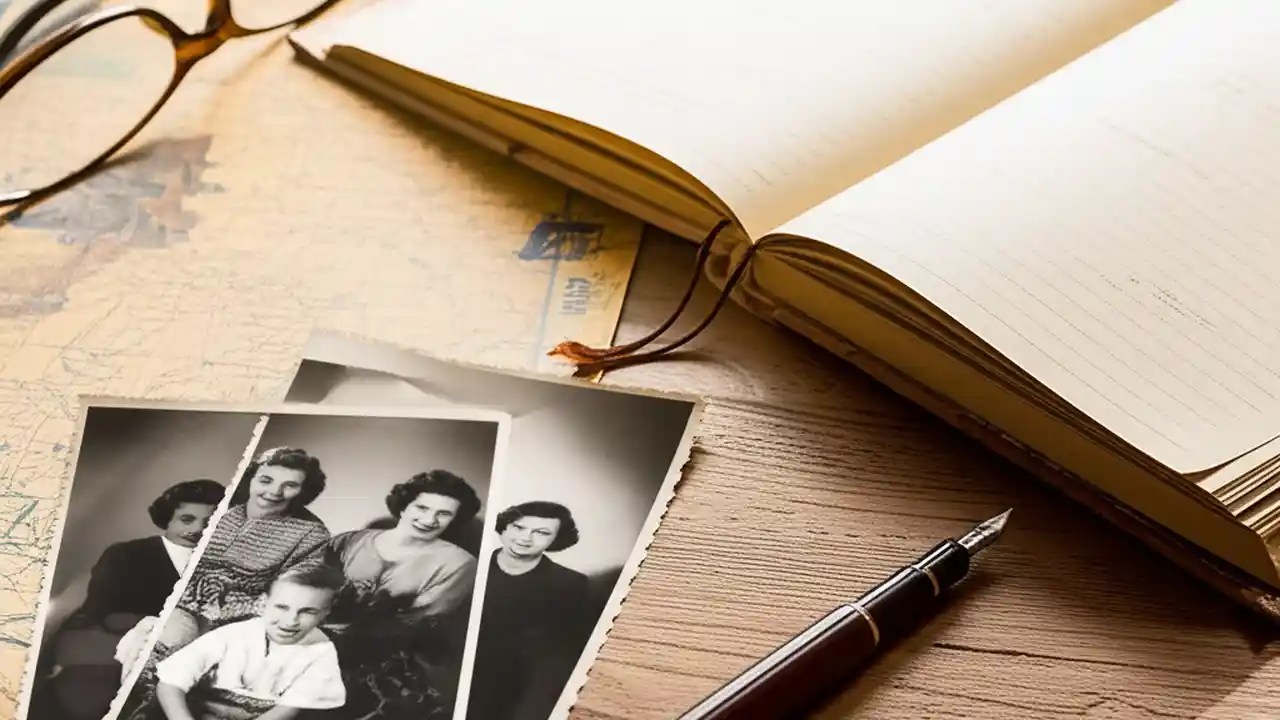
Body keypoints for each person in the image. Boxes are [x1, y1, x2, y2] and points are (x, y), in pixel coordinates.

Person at [121, 447, 332, 719]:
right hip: (188, 607)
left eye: (290, 486)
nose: (274, 492)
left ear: (304, 491)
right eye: (265, 480)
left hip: (243, 621)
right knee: (155, 652)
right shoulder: (225, 512)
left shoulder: (312, 533)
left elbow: (294, 593)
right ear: (252, 480)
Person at [26, 479, 226, 720]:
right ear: (167, 518)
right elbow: (98, 612)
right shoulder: (127, 555)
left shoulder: (220, 567)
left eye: (209, 522)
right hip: (113, 654)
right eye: (186, 519)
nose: (197, 529)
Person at [322, 470, 482, 719]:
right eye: (422, 508)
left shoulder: (460, 564)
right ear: (404, 507)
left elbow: (408, 626)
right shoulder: (348, 541)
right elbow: (306, 593)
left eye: (444, 514)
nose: (429, 519)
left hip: (384, 665)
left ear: (455, 519)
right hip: (311, 645)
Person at [155, 565, 347, 720]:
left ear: (324, 614)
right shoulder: (234, 634)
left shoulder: (322, 650)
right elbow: (171, 682)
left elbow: (288, 710)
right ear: (263, 604)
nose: (291, 621)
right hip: (204, 707)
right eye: (281, 607)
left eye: (308, 611)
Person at [466, 501, 591, 720]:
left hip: (518, 693)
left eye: (541, 532)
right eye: (519, 527)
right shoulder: (469, 565)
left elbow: (561, 659)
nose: (525, 538)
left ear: (556, 539)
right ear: (504, 527)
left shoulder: (570, 584)